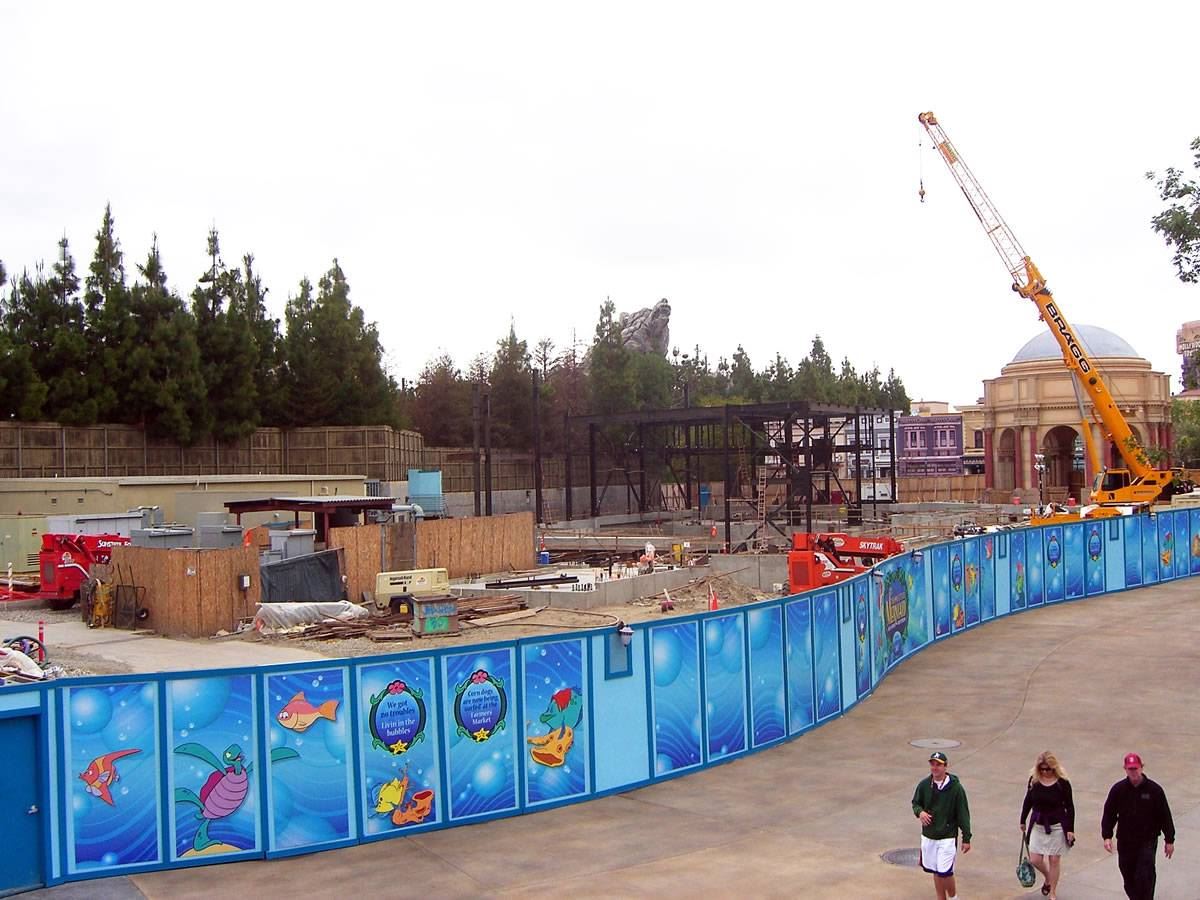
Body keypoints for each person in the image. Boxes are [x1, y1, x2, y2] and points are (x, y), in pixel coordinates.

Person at [1101, 752, 1175, 899]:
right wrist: (1107, 836)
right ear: (1125, 769)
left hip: (1147, 841)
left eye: (1135, 768)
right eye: (1130, 769)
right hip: (1126, 840)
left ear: (1141, 767)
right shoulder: (1118, 790)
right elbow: (1109, 813)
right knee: (1127, 874)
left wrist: (1169, 840)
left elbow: (1165, 815)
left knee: (1145, 875)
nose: (1133, 772)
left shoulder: (1154, 790)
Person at [912, 750, 971, 900]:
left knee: (945, 872)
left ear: (945, 766)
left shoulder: (956, 789)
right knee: (935, 870)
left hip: (947, 837)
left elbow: (963, 814)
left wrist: (966, 838)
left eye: (938, 765)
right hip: (929, 836)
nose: (935, 768)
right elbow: (916, 803)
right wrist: (920, 813)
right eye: (932, 764)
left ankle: (953, 897)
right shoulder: (924, 785)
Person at [1020, 751, 1076, 900]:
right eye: (1042, 769)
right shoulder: (1034, 781)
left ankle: (1052, 892)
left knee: (1054, 860)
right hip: (1038, 825)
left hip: (1057, 826)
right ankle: (1048, 878)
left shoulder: (1062, 783)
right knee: (1035, 859)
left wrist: (1070, 829)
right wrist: (1022, 819)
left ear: (1054, 767)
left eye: (1048, 769)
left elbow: (1070, 806)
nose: (1045, 772)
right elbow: (1028, 800)